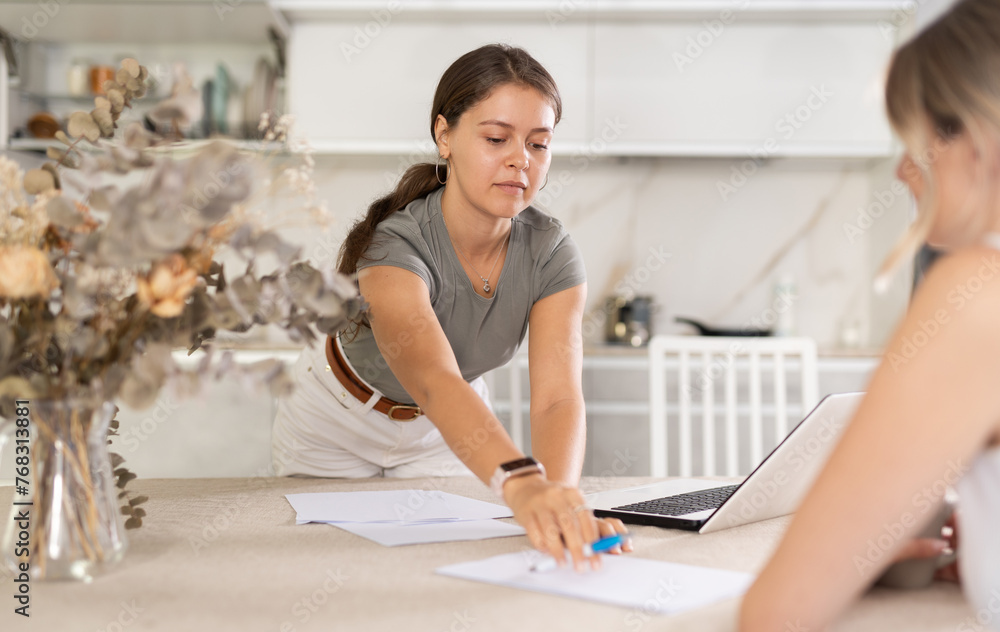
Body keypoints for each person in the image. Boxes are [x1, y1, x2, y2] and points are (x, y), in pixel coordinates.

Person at [271, 43, 631, 571]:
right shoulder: (395, 245)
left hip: (442, 433)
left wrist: (559, 498)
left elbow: (557, 398)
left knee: (440, 571)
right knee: (325, 572)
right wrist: (521, 483)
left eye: (539, 143)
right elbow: (436, 379)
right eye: (496, 138)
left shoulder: (551, 252)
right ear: (445, 135)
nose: (520, 160)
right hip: (336, 421)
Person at [740, 0, 1000, 628]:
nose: (903, 169)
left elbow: (777, 614)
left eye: (915, 140)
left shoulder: (976, 291)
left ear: (976, 135)